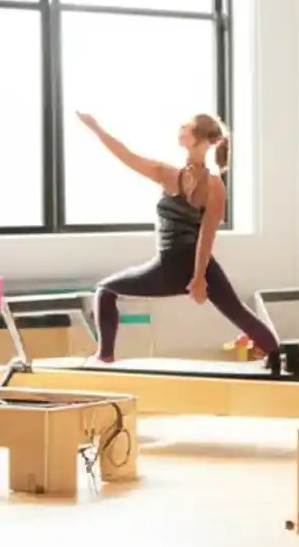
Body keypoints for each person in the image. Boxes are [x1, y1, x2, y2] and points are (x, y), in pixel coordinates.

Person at [75, 110, 279, 362]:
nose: (181, 129)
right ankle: (283, 357)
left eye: (187, 127)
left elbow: (207, 234)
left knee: (105, 290)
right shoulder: (197, 180)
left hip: (173, 265)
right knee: (239, 313)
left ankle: (104, 357)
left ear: (197, 139)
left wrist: (199, 278)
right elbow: (125, 155)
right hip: (193, 264)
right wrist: (199, 277)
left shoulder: (183, 178)